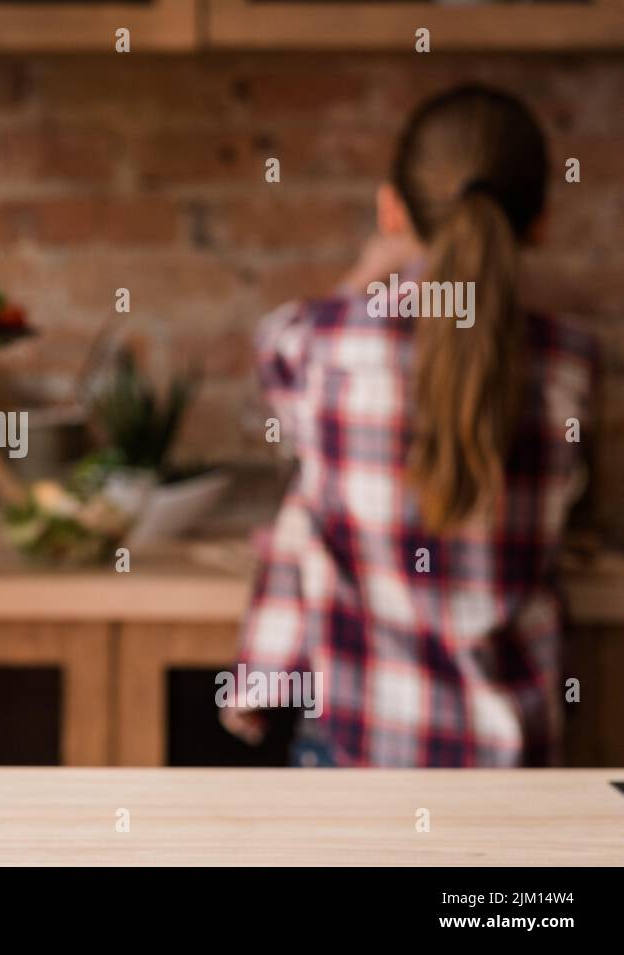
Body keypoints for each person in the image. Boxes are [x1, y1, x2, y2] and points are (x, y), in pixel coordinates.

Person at [224, 85, 598, 767]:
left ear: (391, 208)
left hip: (360, 758)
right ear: (541, 220)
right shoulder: (573, 363)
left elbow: (291, 368)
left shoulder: (311, 344)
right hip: (517, 769)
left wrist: (369, 273)